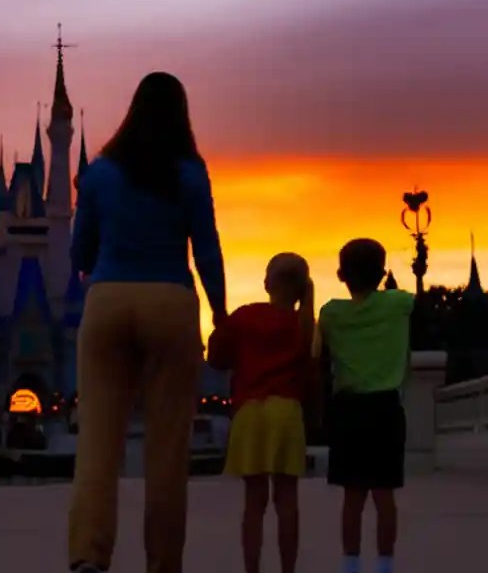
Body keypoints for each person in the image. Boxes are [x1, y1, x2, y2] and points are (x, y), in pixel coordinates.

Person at [67, 71, 227, 573]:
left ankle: (89, 555)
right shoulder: (190, 174)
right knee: (166, 449)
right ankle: (162, 562)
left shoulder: (99, 174)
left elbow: (80, 252)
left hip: (108, 302)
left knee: (97, 441)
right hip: (170, 303)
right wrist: (220, 313)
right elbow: (206, 250)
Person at [208, 253, 316, 573]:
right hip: (286, 413)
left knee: (254, 505)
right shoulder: (305, 325)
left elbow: (217, 358)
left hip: (251, 413)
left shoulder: (245, 317)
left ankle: (252, 568)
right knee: (287, 503)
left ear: (268, 282)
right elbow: (313, 376)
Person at [316, 239, 413, 573]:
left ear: (342, 274)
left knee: (352, 497)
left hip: (348, 410)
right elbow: (418, 301)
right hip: (386, 408)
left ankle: (350, 565)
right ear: (382, 272)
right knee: (384, 496)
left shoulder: (331, 313)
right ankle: (385, 565)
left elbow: (318, 357)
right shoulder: (398, 304)